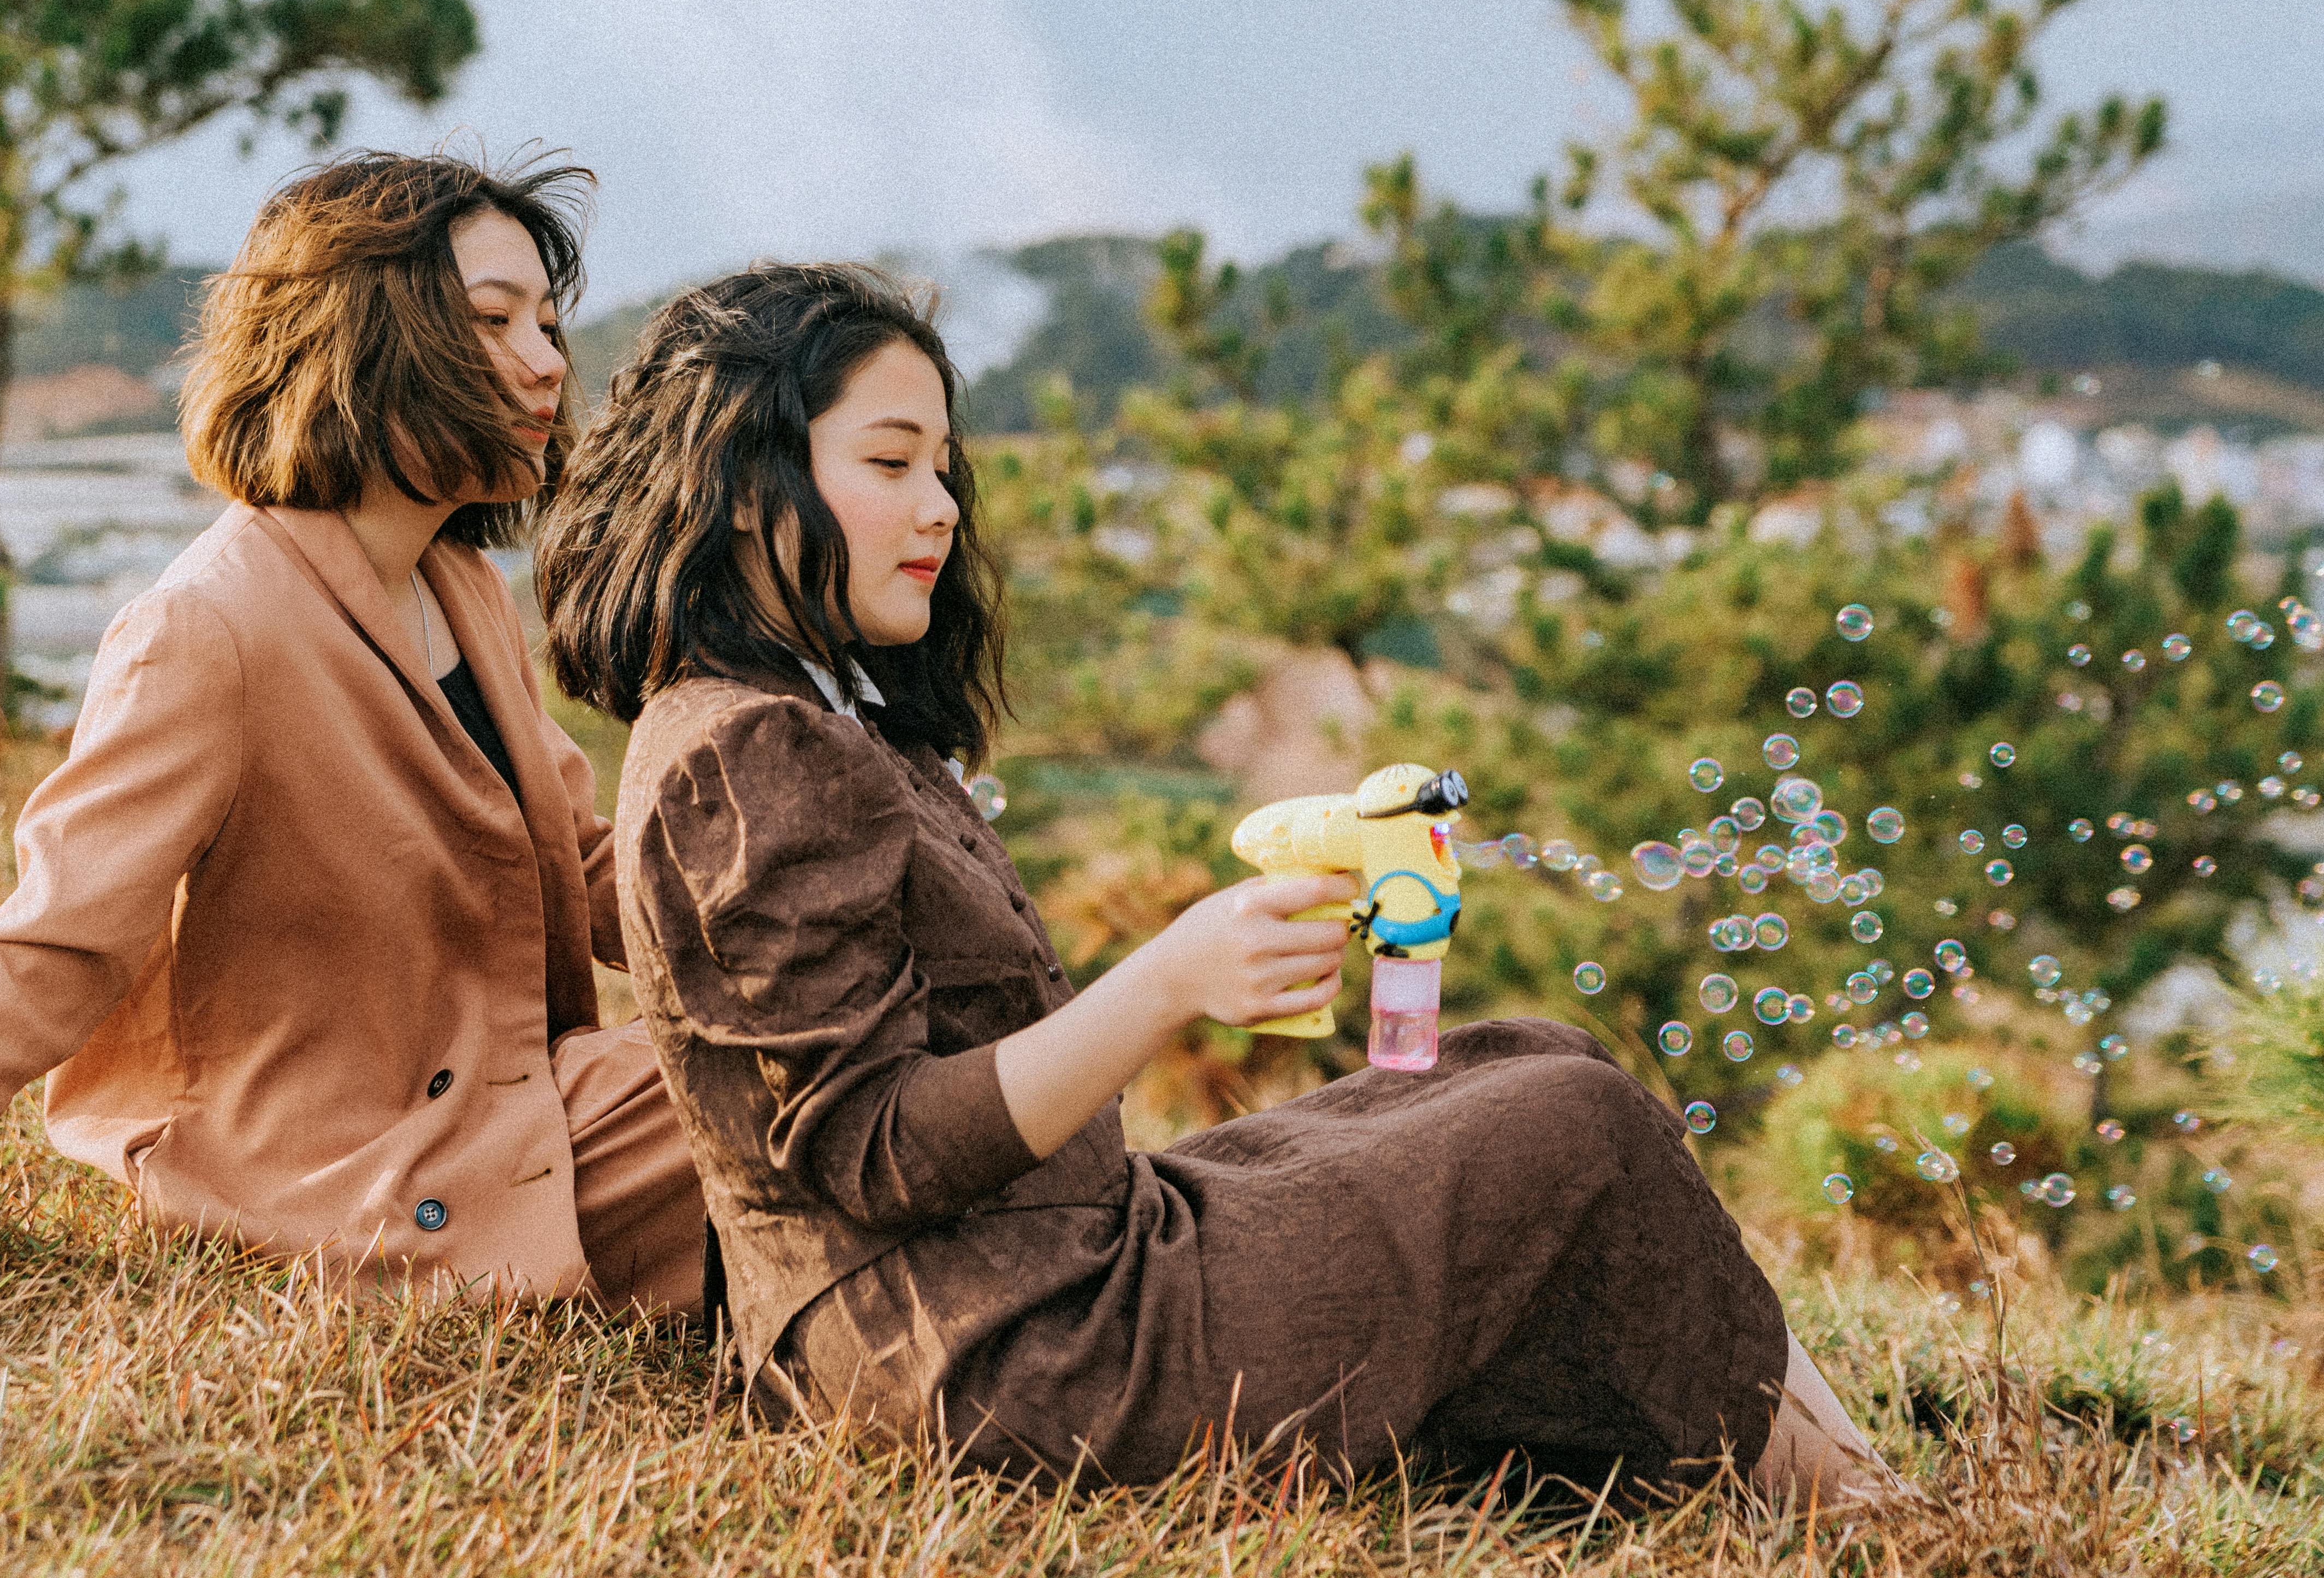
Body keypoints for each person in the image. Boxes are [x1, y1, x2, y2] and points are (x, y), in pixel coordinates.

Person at [535, 262, 1892, 1497]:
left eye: (944, 465)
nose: (940, 507)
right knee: (1571, 1129)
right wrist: (1174, 978)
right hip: (1004, 1361)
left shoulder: (800, 714)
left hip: (1026, 1282)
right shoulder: (748, 755)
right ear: (737, 479)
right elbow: (874, 1152)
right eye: (890, 461)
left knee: (1519, 1057)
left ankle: (1781, 1455)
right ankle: (1857, 1504)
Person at [0, 151, 704, 1319]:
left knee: (804, 1055)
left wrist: (848, 916)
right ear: (358, 337)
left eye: (549, 324)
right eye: (492, 319)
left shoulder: (460, 589)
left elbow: (592, 862)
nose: (546, 360)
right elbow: (51, 944)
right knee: (776, 1092)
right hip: (340, 1174)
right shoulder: (208, 627)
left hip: (520, 1107)